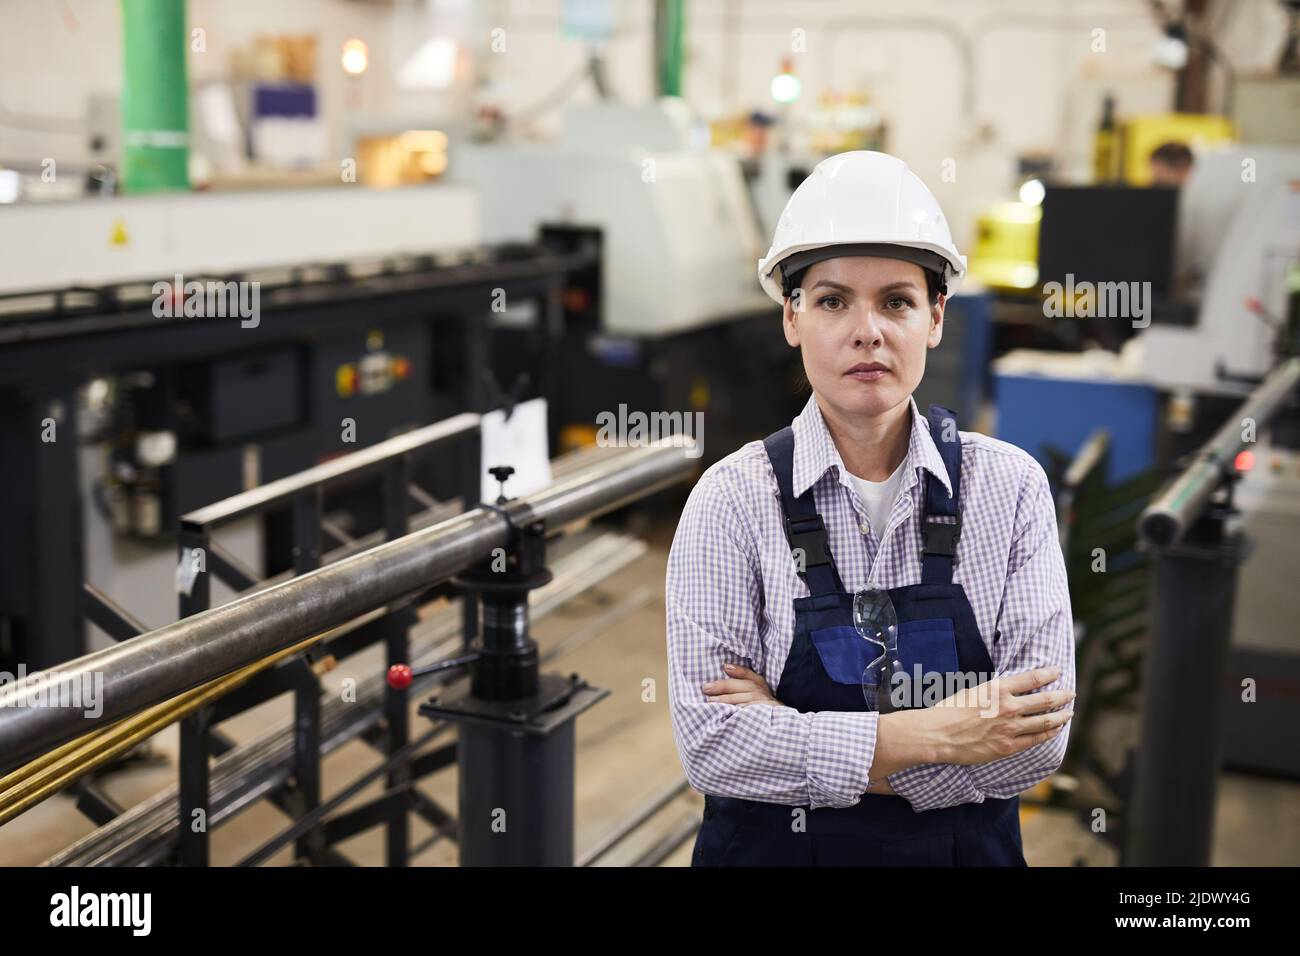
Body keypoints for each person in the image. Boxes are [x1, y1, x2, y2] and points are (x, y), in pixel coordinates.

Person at [665, 151, 1076, 867]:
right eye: (831, 301)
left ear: (936, 317)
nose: (868, 331)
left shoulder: (1009, 490)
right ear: (791, 317)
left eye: (896, 300)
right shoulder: (730, 501)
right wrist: (938, 736)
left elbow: (1036, 741)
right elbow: (713, 747)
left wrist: (796, 739)